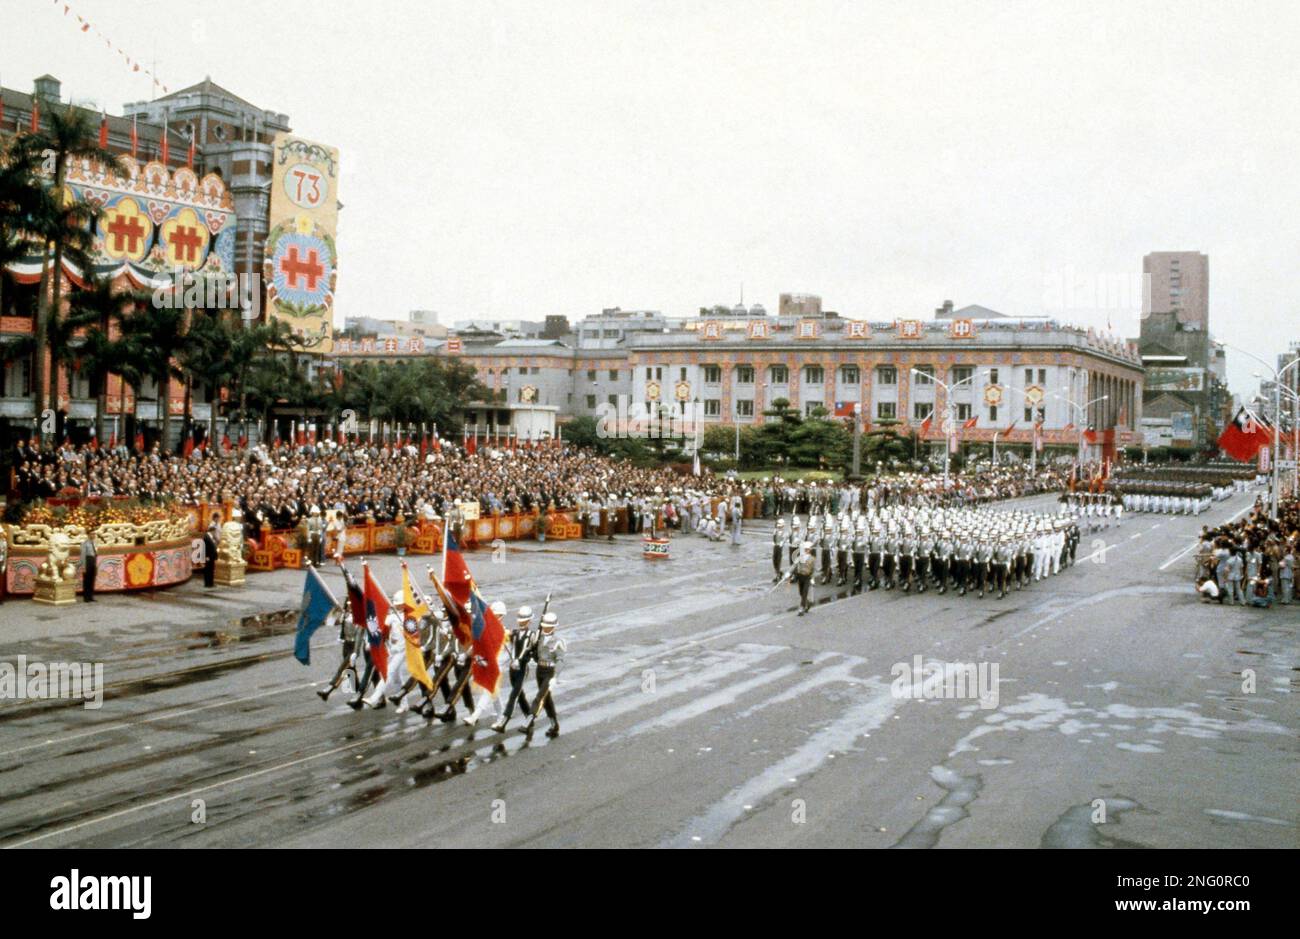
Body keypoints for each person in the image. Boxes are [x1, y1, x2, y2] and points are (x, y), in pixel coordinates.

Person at [492, 606, 536, 732]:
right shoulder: (514, 633)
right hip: (513, 669)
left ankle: (503, 722)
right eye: (520, 619)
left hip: (522, 669)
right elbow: (505, 640)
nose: (521, 621)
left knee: (514, 696)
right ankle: (530, 718)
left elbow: (529, 651)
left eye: (524, 620)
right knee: (520, 696)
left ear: (529, 621)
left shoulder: (531, 635)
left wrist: (520, 660)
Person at [523, 611, 564, 738]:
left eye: (549, 626)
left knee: (540, 697)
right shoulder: (538, 638)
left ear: (554, 627)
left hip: (550, 672)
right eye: (545, 625)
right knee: (546, 700)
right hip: (539, 670)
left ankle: (529, 720)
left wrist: (555, 677)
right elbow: (535, 656)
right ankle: (554, 724)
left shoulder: (558, 641)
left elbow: (560, 661)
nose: (546, 628)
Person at [80, 534, 98, 603]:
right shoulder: (85, 543)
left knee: (92, 579)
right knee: (86, 580)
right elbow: (83, 555)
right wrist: (83, 566)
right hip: (87, 560)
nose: (94, 535)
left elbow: (95, 553)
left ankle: (91, 596)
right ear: (88, 535)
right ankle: (86, 597)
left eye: (94, 534)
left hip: (93, 560)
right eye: (92, 534)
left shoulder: (94, 543)